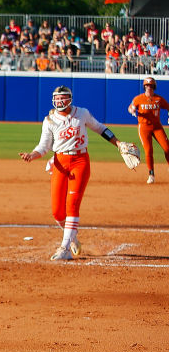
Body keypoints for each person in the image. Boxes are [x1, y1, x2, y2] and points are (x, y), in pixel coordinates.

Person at [19, 86, 136, 261]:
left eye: (63, 98)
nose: (59, 101)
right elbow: (43, 147)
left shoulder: (82, 113)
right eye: (57, 98)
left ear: (70, 99)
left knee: (72, 204)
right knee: (57, 212)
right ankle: (72, 238)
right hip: (60, 163)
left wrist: (118, 143)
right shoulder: (49, 120)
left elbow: (100, 128)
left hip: (80, 162)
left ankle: (64, 248)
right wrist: (32, 155)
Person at [127, 76, 169, 184]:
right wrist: (132, 109)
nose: (148, 88)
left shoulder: (158, 99)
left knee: (167, 148)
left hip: (157, 127)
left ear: (154, 87)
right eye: (146, 86)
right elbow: (131, 107)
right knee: (148, 150)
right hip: (144, 127)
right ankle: (151, 174)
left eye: (150, 86)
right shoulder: (138, 98)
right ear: (144, 87)